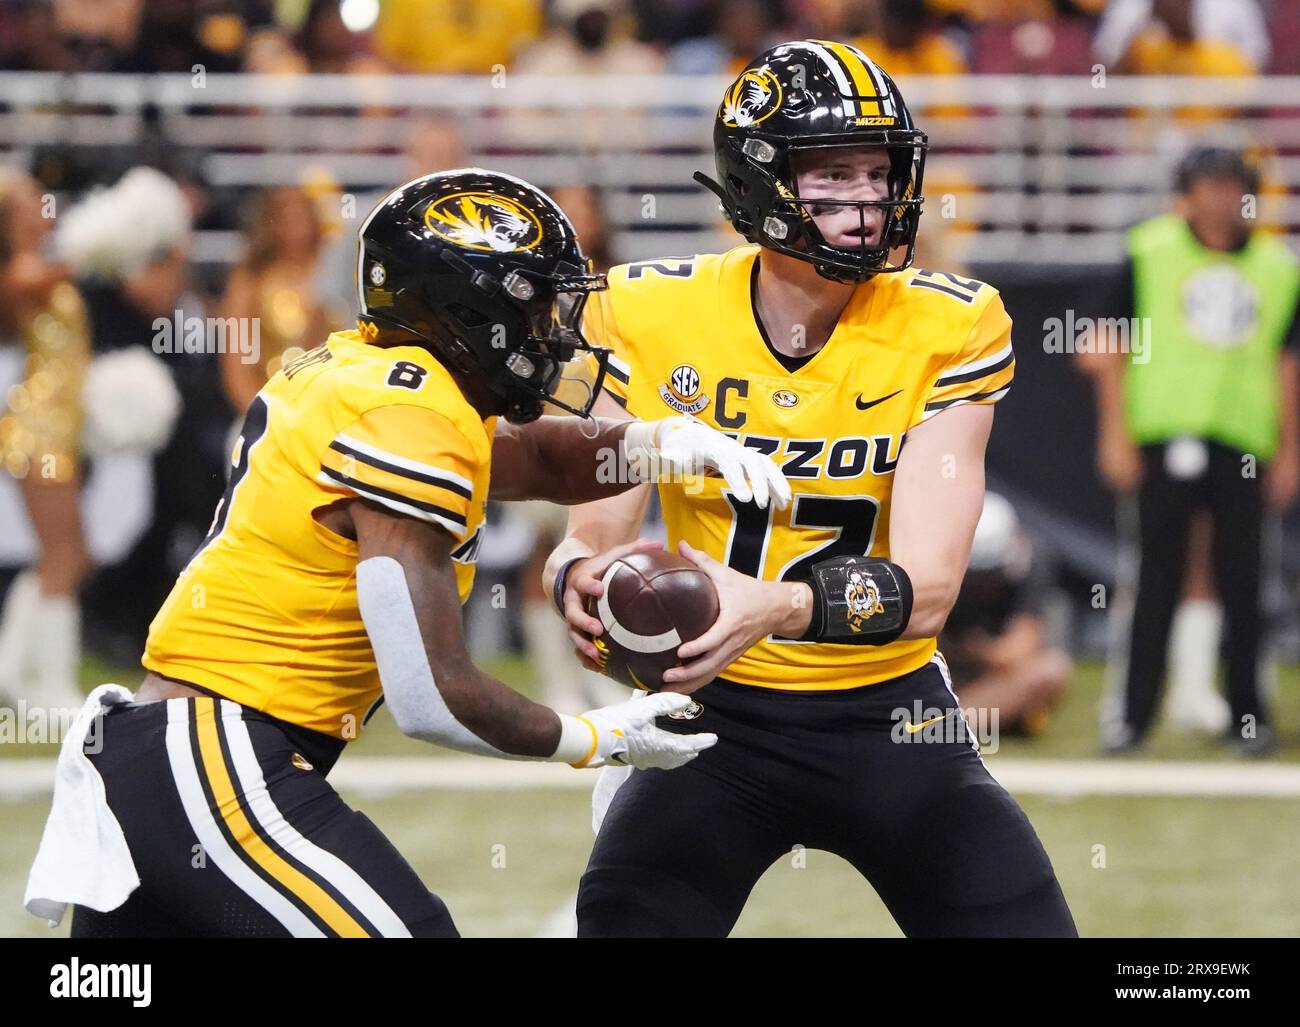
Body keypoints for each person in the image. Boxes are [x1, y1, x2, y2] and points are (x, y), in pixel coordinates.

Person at [26, 169, 789, 938]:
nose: (555, 332)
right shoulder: (408, 414)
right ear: (465, 311)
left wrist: (661, 444)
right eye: (533, 307)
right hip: (212, 756)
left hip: (170, 754)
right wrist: (603, 736)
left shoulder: (373, 376)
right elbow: (431, 693)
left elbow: (542, 460)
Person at [547, 40, 1077, 938]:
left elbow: (927, 591)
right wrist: (575, 577)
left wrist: (771, 606)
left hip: (891, 713)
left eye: (878, 172)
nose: (869, 201)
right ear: (759, 184)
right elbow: (591, 525)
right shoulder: (646, 310)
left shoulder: (950, 324)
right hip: (713, 719)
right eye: (833, 175)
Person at [1085, 145, 1299, 757]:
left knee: (1245, 582)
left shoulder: (1279, 267)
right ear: (1187, 192)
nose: (1219, 200)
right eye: (1207, 186)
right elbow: (1108, 346)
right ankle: (1130, 719)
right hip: (1162, 434)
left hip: (1243, 440)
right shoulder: (1150, 250)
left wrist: (1288, 450)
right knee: (1153, 578)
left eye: (1230, 187)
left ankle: (1248, 718)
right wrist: (1114, 432)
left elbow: (1287, 363)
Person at [938, 492, 1071, 737]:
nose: (982, 588)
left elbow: (1019, 651)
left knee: (1050, 671)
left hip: (992, 676)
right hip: (937, 670)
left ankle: (947, 727)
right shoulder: (934, 566)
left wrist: (974, 650)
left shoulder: (1034, 562)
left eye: (989, 577)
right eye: (974, 579)